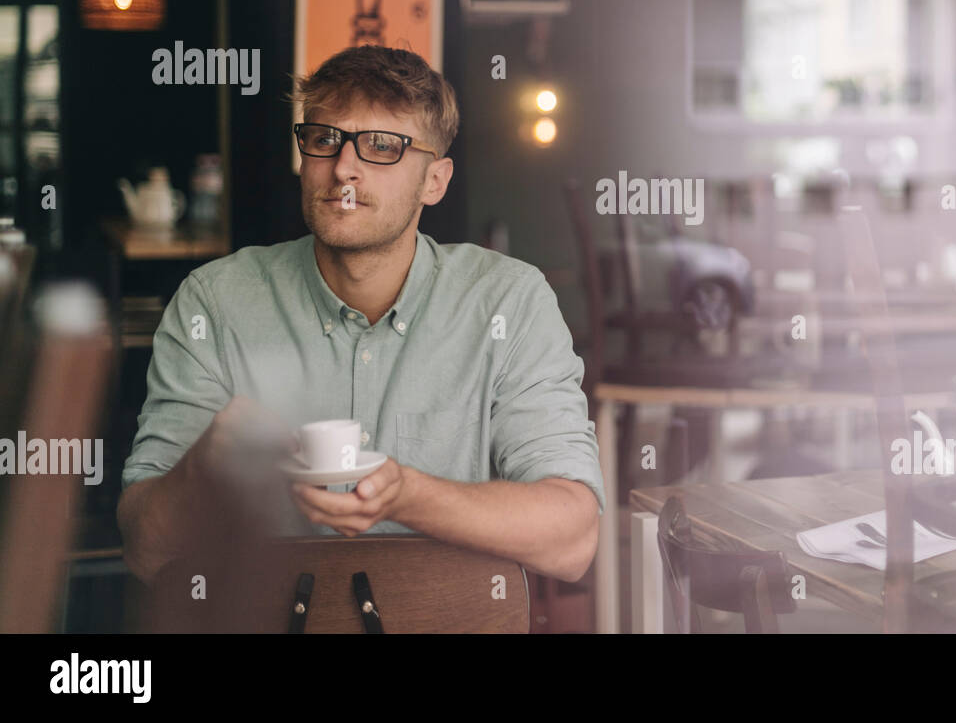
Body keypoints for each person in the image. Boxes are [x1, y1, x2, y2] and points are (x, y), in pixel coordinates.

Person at [117, 46, 602, 584]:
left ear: (435, 182)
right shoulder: (215, 302)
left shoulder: (508, 302)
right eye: (325, 139)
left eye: (381, 146)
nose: (344, 167)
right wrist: (201, 470)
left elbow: (573, 538)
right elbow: (143, 550)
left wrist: (409, 496)